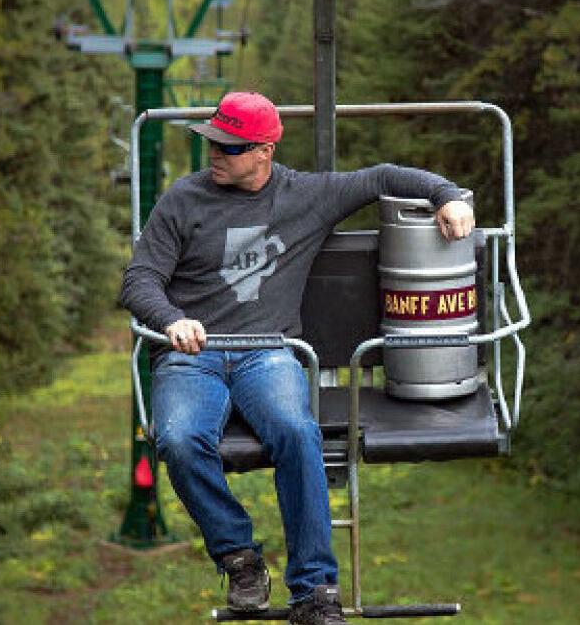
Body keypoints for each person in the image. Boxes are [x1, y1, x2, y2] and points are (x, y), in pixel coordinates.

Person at [119, 91, 474, 625]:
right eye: (212, 141)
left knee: (296, 431)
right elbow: (140, 277)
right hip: (195, 354)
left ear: (264, 151)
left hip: (269, 352)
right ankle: (239, 557)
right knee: (176, 439)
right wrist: (172, 320)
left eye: (230, 146)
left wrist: (446, 196)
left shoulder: (306, 195)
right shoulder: (183, 200)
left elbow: (380, 178)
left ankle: (314, 592)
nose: (215, 153)